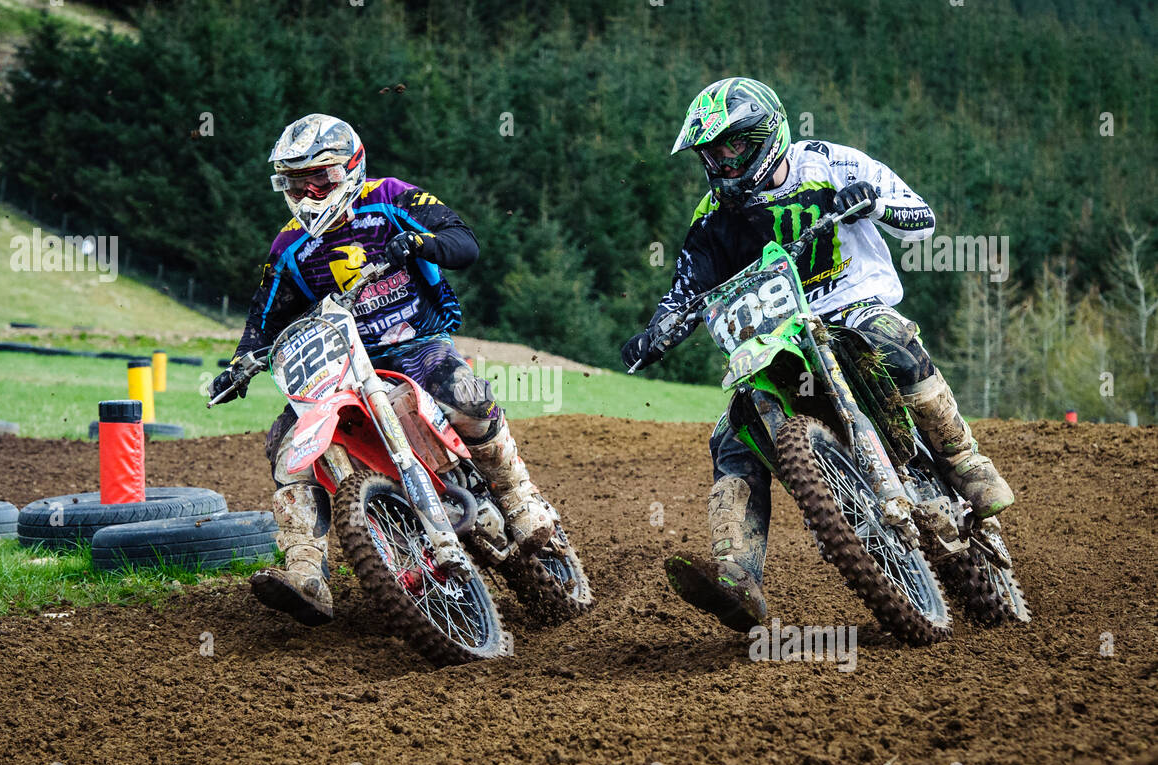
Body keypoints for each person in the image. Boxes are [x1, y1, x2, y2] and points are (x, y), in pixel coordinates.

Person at [621, 78, 1014, 631]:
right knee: (732, 434)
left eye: (735, 145)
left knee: (893, 342)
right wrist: (658, 329)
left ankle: (963, 459)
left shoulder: (827, 164)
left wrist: (872, 201)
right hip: (775, 337)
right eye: (712, 151)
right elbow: (686, 289)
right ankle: (739, 576)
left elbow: (920, 218)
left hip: (850, 307)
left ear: (766, 135)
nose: (724, 160)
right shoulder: (711, 215)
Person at [211, 113, 552, 625]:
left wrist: (420, 243)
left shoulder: (391, 197)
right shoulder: (289, 246)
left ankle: (519, 500)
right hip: (343, 364)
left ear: (350, 168)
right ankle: (305, 569)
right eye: (294, 184)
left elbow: (464, 242)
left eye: (318, 180)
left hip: (415, 343)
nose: (307, 194)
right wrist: (241, 363)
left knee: (469, 397)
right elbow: (264, 316)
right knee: (286, 443)